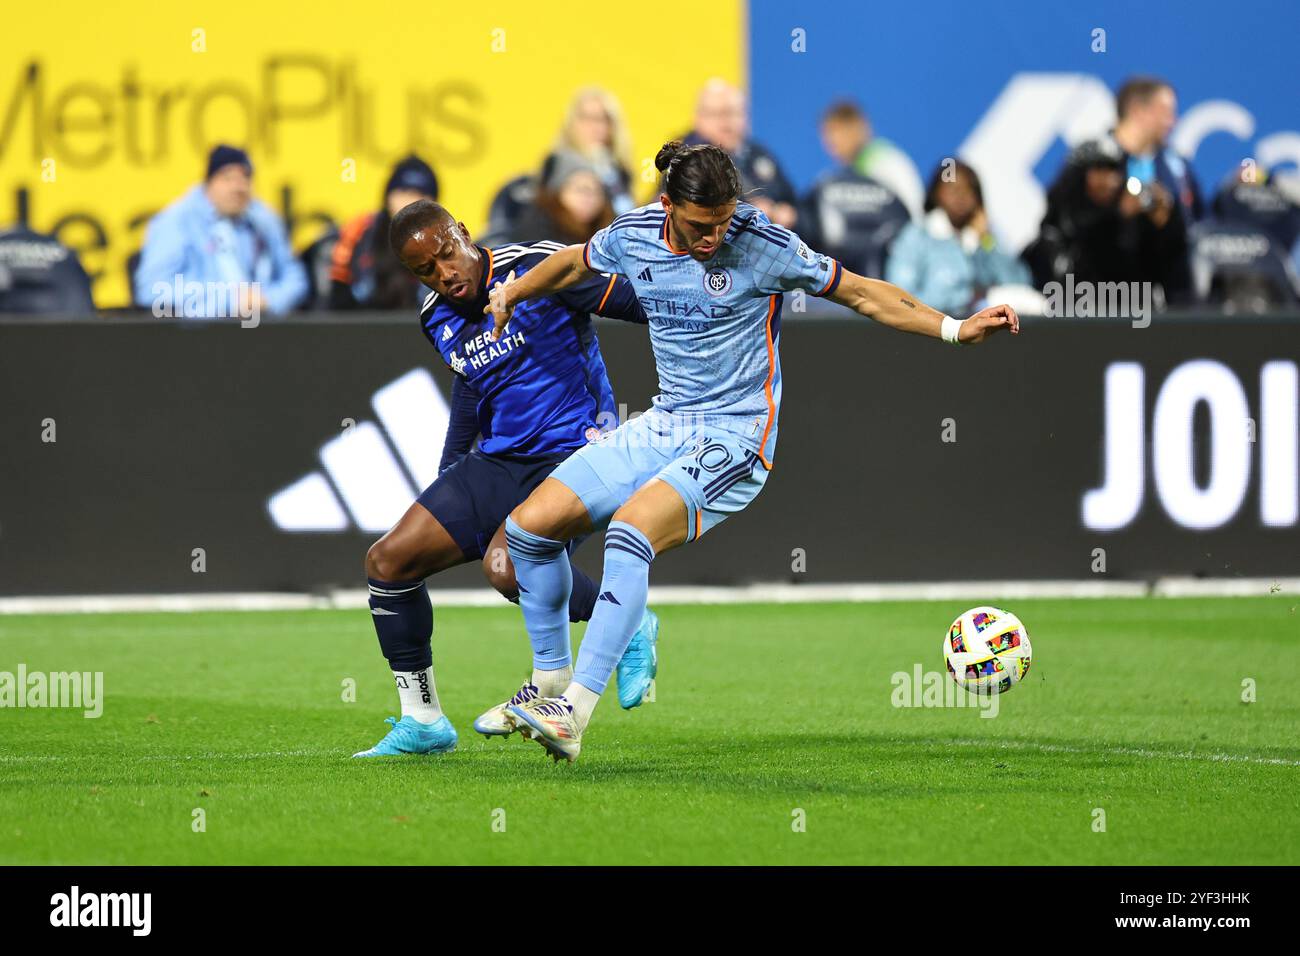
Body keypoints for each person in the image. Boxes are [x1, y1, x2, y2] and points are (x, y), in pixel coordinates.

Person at [485, 142, 1019, 763]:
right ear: (667, 207)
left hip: (737, 435)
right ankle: (548, 684)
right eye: (699, 225)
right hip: (666, 422)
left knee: (629, 534)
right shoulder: (633, 233)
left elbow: (862, 294)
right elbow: (574, 263)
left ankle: (573, 711)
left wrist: (956, 329)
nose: (715, 236)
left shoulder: (763, 244)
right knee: (527, 530)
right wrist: (512, 292)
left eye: (723, 220)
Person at [352, 199, 659, 758]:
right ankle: (423, 722)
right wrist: (449, 473)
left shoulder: (540, 266)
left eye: (448, 254)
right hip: (500, 460)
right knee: (387, 562)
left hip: (577, 453)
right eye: (425, 270)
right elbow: (471, 385)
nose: (444, 273)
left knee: (506, 566)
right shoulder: (433, 316)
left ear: (464, 234)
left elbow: (640, 306)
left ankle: (627, 621)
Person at [134, 145, 307, 317]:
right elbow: (151, 290)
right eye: (227, 178)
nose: (238, 188)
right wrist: (229, 301)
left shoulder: (263, 220)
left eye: (245, 178)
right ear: (208, 183)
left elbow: (295, 277)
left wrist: (269, 300)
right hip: (198, 335)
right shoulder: (176, 221)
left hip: (262, 328)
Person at [1023, 137, 1191, 304]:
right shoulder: (1057, 229)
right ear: (1079, 176)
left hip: (1132, 320)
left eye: (1114, 170)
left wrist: (1166, 225)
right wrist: (1117, 215)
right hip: (1075, 319)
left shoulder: (1132, 222)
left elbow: (1167, 271)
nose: (1110, 180)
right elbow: (1082, 247)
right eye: (1099, 169)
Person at [886, 159, 1033, 317]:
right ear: (936, 193)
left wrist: (985, 241)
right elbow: (900, 299)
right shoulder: (916, 237)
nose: (961, 196)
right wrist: (966, 300)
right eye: (953, 189)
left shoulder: (984, 239)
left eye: (969, 190)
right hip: (931, 330)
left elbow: (1019, 284)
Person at [683, 78, 798, 228]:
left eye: (733, 113)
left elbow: (794, 203)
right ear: (698, 119)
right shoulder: (684, 158)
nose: (726, 124)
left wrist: (789, 216)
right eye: (716, 114)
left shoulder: (760, 156)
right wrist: (749, 213)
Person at [329, 155, 440, 310]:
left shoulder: (445, 237)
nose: (410, 201)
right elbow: (338, 287)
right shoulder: (360, 228)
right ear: (388, 196)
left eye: (420, 194)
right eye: (403, 191)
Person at [1110, 77, 1202, 225]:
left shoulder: (1178, 167)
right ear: (1137, 110)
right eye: (1166, 112)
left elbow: (1196, 223)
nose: (1172, 122)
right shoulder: (1092, 161)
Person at [818, 99, 924, 220]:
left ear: (856, 128)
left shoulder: (884, 161)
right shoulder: (849, 172)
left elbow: (914, 211)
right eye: (826, 134)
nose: (829, 142)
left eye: (835, 131)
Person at [546, 88, 637, 215]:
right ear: (571, 123)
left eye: (603, 119)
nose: (596, 127)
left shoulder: (620, 172)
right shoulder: (556, 166)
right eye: (587, 118)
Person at [508, 152, 616, 246]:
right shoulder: (535, 227)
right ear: (559, 193)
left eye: (596, 191)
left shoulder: (608, 230)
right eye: (580, 190)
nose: (589, 198)